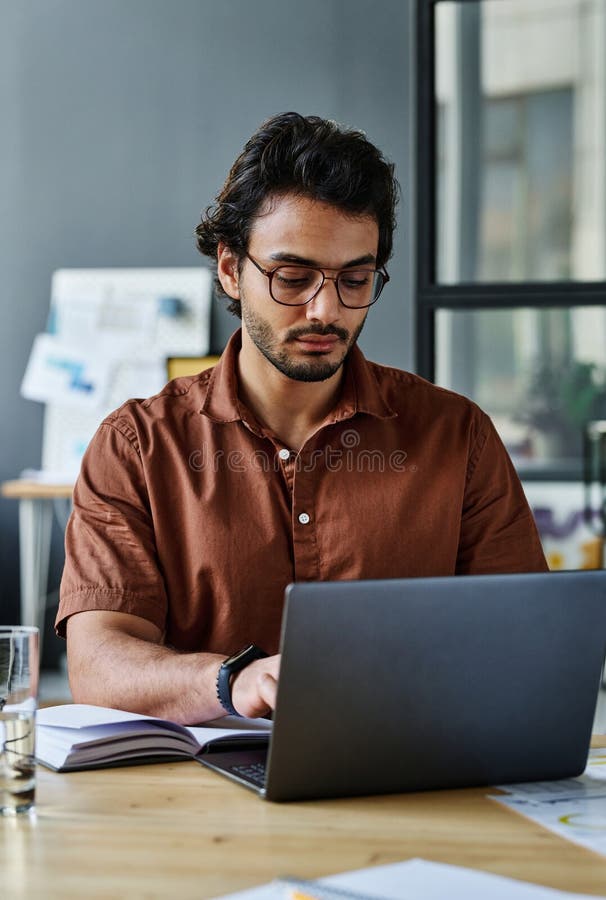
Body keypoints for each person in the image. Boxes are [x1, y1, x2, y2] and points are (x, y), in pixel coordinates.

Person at [57, 112, 547, 724]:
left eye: (355, 279)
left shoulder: (458, 436)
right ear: (232, 270)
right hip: (195, 800)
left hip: (408, 783)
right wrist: (234, 681)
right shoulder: (135, 446)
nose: (325, 309)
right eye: (292, 277)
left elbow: (525, 641)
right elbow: (98, 664)